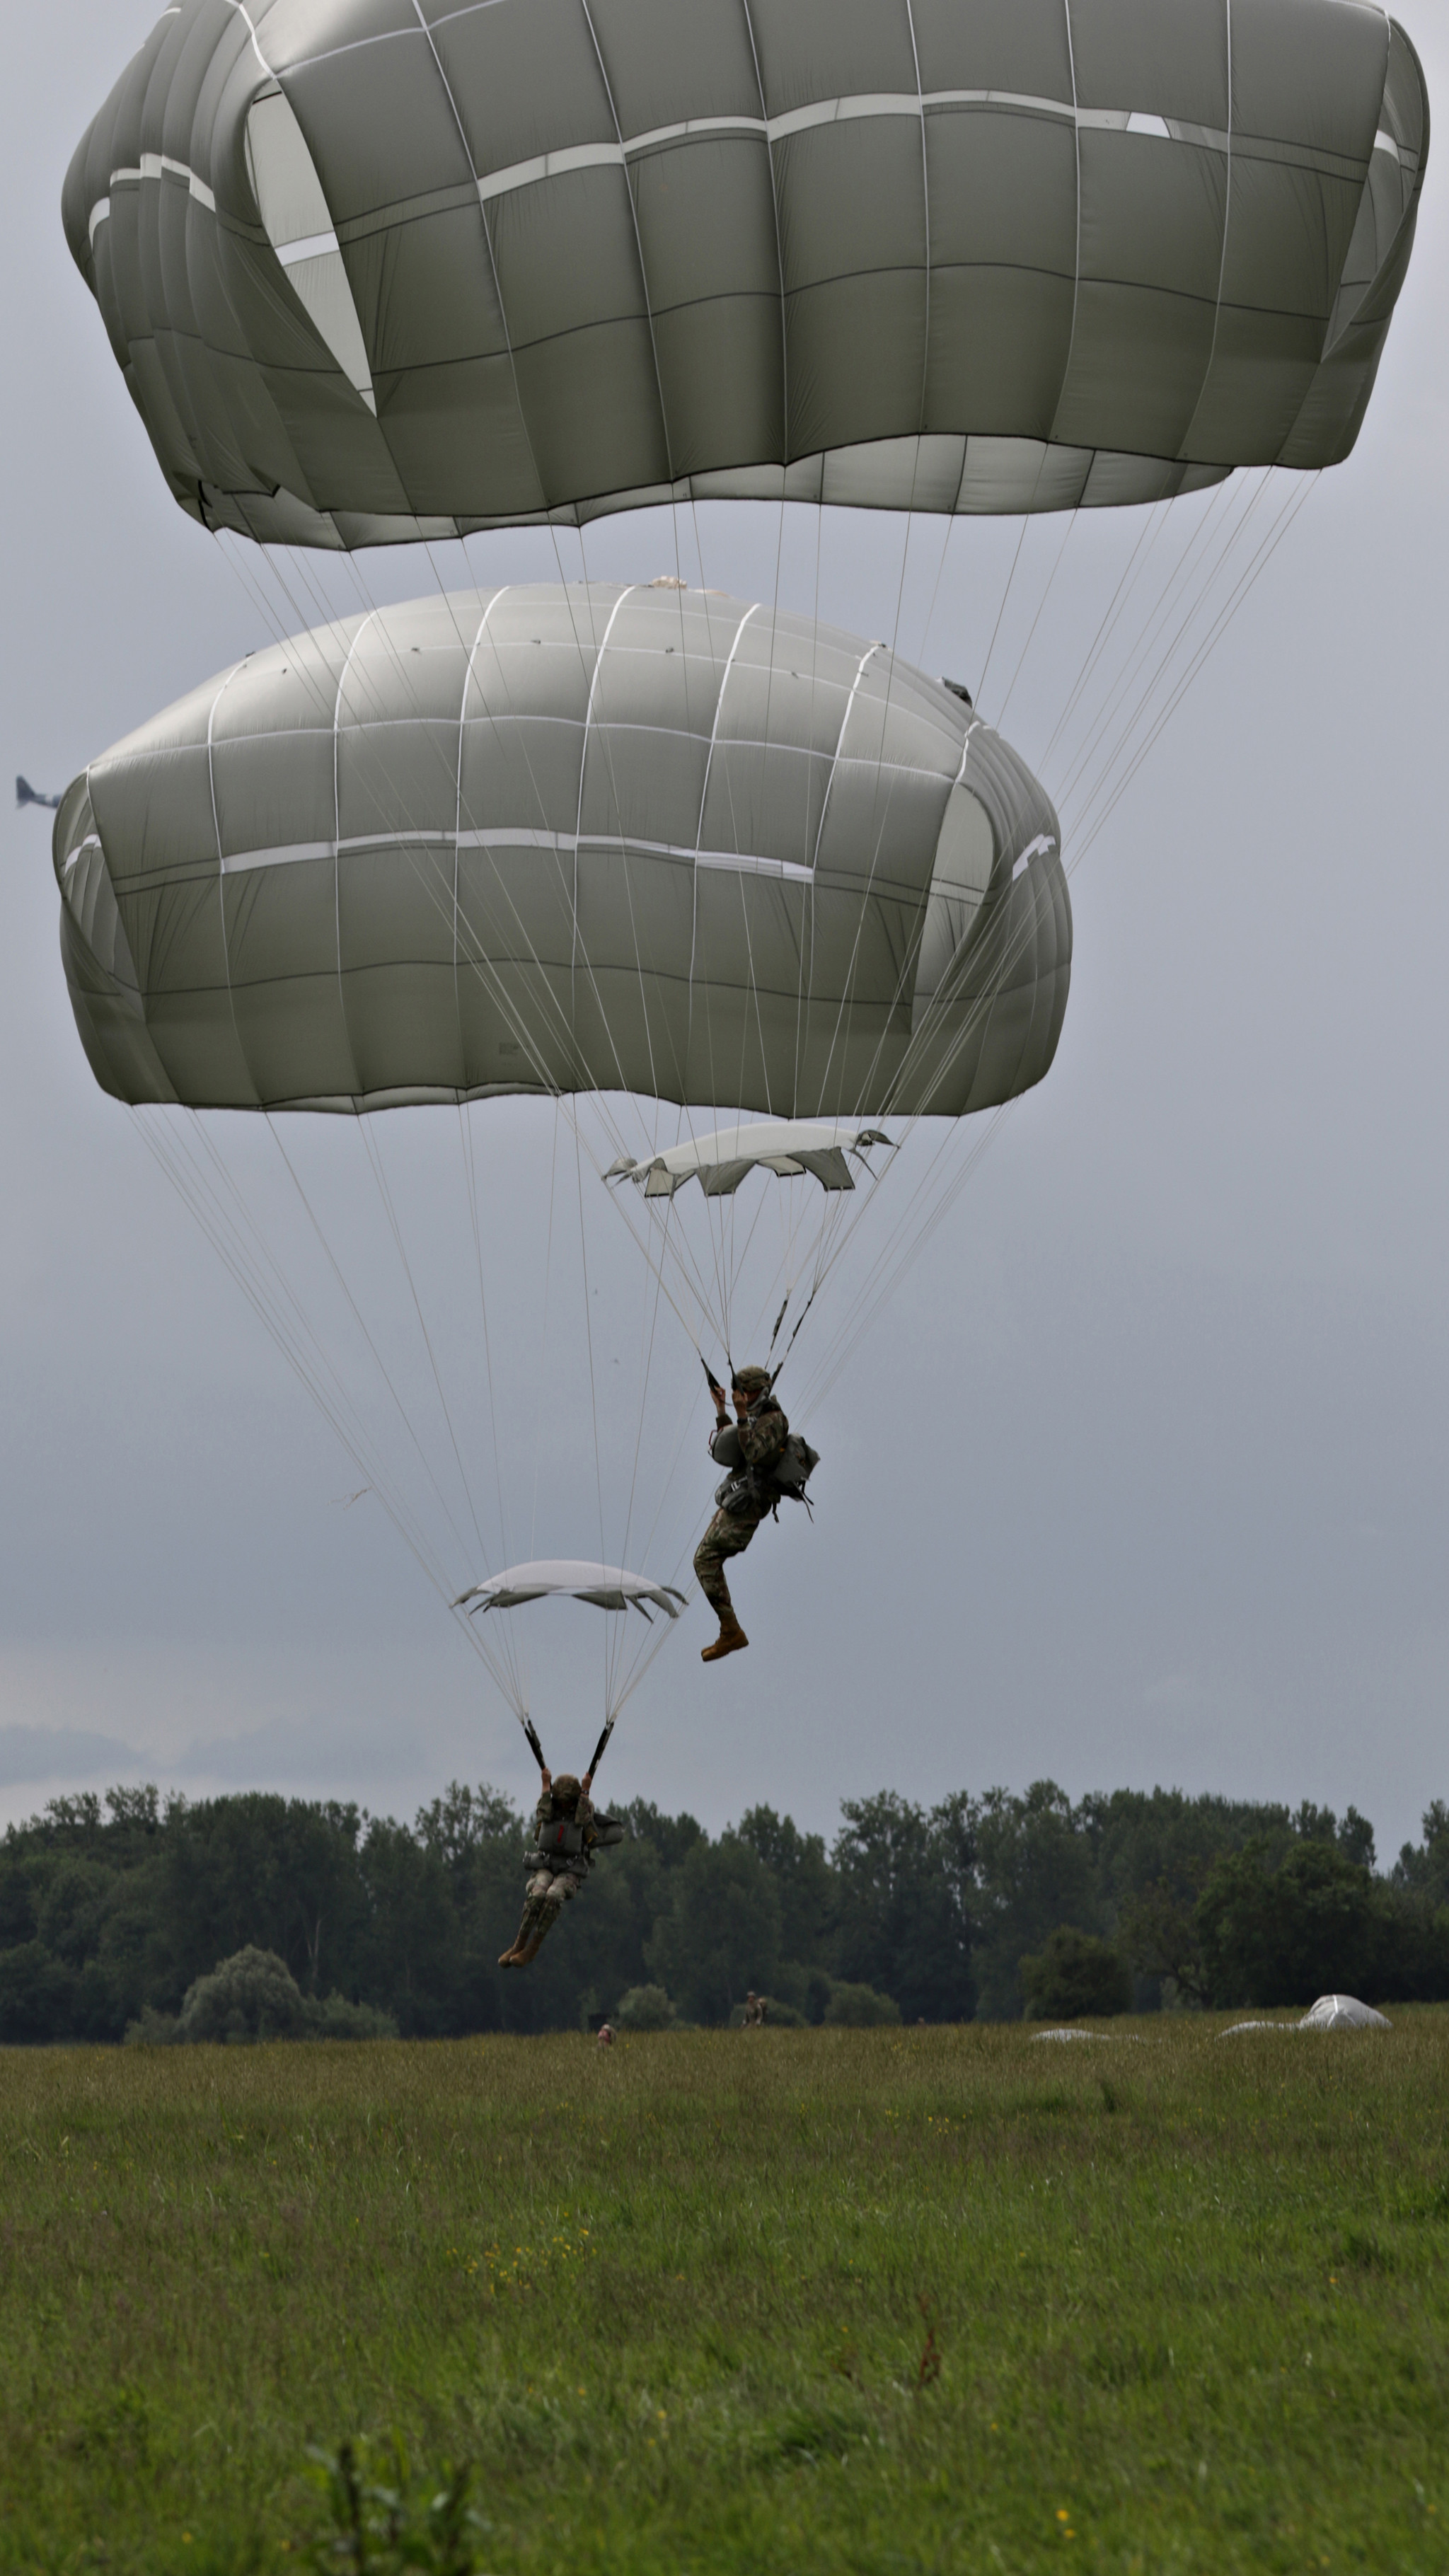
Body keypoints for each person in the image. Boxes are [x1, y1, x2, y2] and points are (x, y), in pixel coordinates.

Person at [693, 1363, 788, 1662]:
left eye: (745, 1392)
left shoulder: (774, 1420)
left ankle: (731, 1631)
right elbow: (732, 1446)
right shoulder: (755, 1416)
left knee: (705, 1560)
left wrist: (742, 1414)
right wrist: (722, 1409)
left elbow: (752, 1452)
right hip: (739, 1500)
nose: (742, 1397)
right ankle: (730, 1629)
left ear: (759, 1391)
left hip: (750, 1505)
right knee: (704, 1560)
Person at [498, 1763, 624, 1968]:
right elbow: (543, 1812)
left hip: (569, 1869)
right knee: (537, 1894)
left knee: (553, 1895)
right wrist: (545, 1784)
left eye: (568, 1802)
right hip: (546, 1865)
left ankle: (532, 1948)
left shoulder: (582, 1811)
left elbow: (582, 1819)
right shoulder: (549, 1809)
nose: (564, 1806)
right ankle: (518, 1944)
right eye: (561, 1801)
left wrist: (585, 1790)